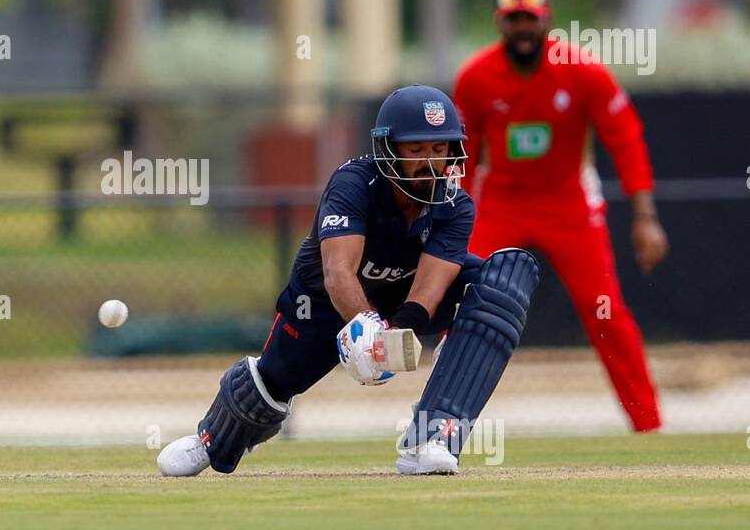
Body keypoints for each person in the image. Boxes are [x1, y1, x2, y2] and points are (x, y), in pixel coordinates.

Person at [158, 85, 539, 477]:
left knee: (503, 279)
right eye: (417, 150)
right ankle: (211, 439)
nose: (431, 162)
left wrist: (395, 335)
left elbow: (428, 291)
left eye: (439, 149)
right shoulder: (354, 183)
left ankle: (432, 437)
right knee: (272, 385)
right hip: (323, 302)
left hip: (402, 295)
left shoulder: (455, 204)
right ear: (388, 148)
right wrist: (367, 325)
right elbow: (338, 271)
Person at [453, 0, 667, 432]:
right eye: (514, 20)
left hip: (567, 201)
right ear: (501, 24)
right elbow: (463, 154)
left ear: (546, 20)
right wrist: (450, 225)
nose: (523, 28)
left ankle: (648, 424)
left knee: (603, 306)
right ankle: (443, 418)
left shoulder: (582, 70)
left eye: (530, 19)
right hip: (503, 200)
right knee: (465, 301)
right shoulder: (476, 77)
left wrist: (645, 217)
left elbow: (625, 137)